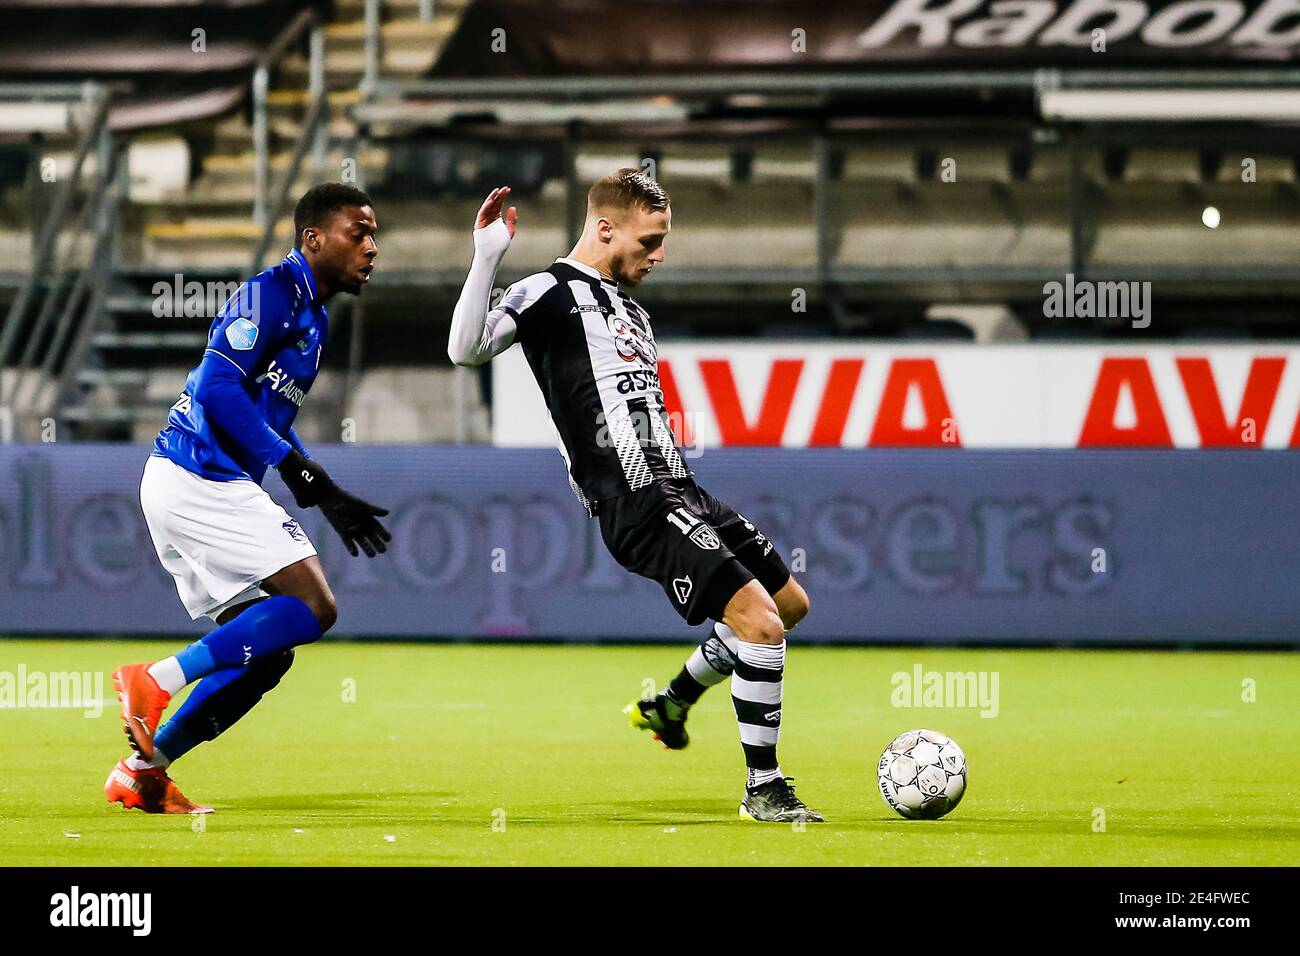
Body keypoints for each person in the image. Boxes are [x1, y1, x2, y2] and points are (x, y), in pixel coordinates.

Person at [448, 170, 821, 823]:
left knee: (789, 605)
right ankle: (763, 788)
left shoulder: (633, 308)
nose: (660, 256)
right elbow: (464, 350)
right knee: (758, 624)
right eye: (650, 241)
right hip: (636, 499)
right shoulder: (545, 291)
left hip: (683, 488)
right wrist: (486, 259)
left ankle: (671, 702)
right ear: (604, 228)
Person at [106, 183, 390, 814]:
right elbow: (215, 388)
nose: (371, 247)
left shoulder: (313, 317)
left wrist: (314, 480)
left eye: (375, 235)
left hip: (193, 484)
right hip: (197, 477)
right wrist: (296, 467)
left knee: (266, 655)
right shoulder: (272, 294)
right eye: (358, 233)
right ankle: (157, 679)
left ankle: (143, 770)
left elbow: (263, 411)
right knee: (315, 605)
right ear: (313, 239)